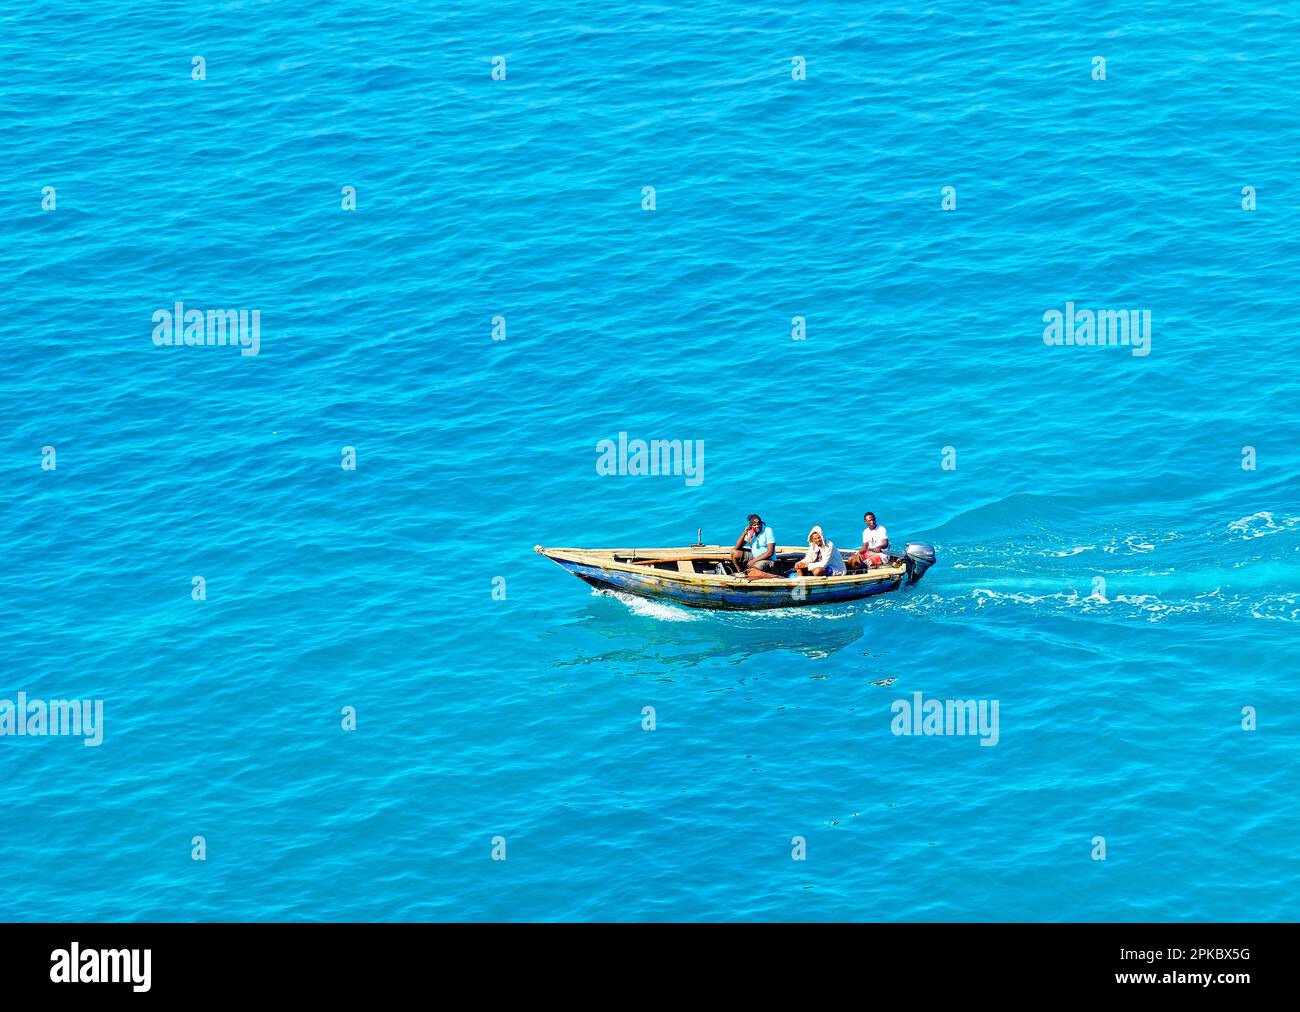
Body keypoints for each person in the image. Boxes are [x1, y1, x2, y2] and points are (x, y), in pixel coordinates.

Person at [731, 513, 778, 579]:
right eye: (754, 525)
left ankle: (750, 575)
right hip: (754, 556)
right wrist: (744, 533)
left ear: (761, 523)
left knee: (755, 567)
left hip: (767, 559)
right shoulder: (751, 533)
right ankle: (741, 573)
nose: (757, 526)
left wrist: (753, 561)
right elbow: (737, 547)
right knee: (734, 552)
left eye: (758, 524)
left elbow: (770, 552)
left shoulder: (767, 531)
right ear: (751, 526)